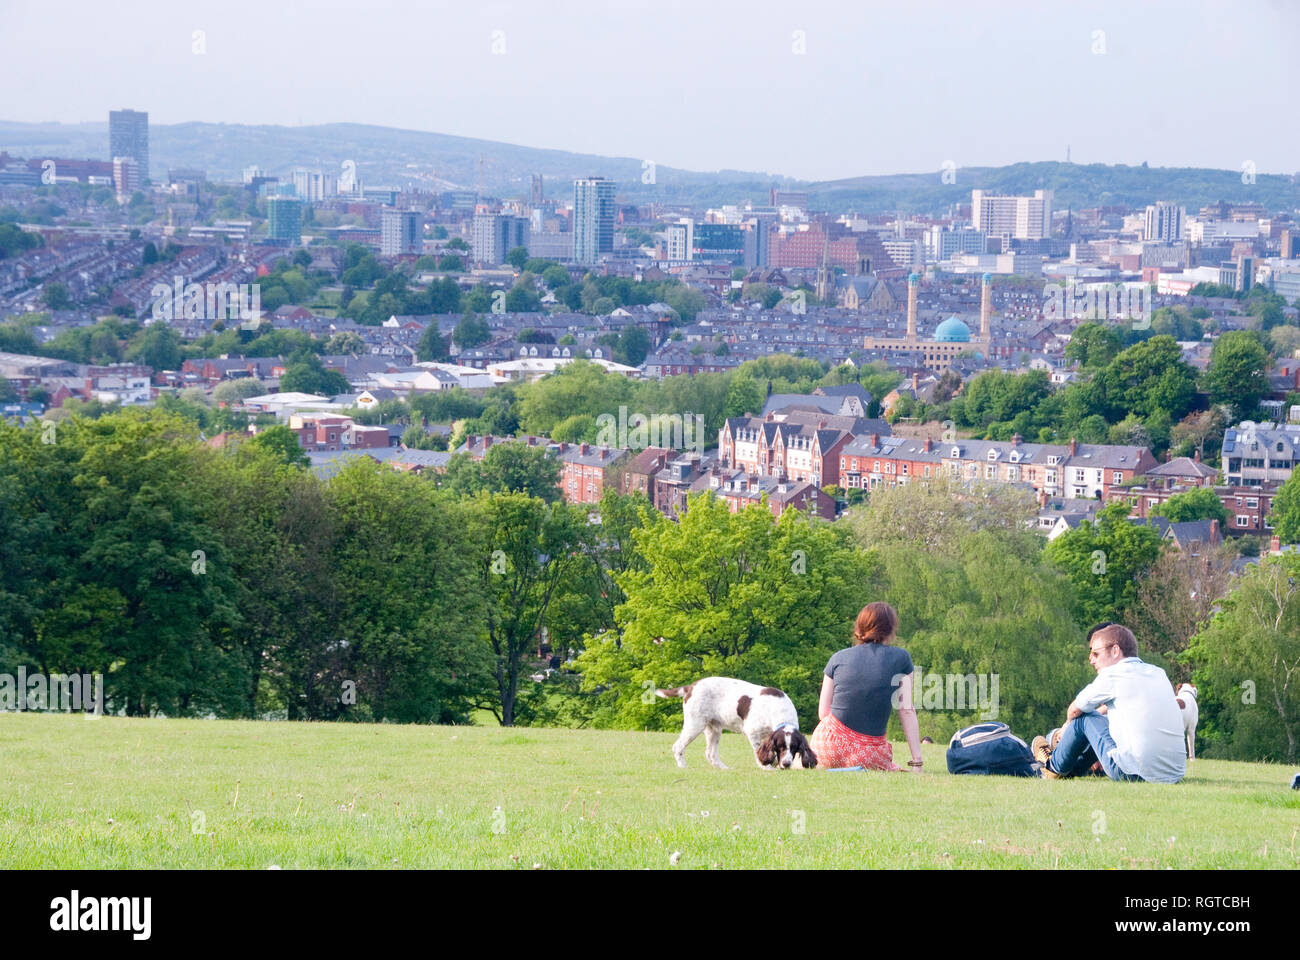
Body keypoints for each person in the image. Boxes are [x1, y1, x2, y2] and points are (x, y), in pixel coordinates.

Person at [1032, 623, 1185, 784]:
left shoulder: (1113, 674)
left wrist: (1067, 726)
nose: (1091, 660)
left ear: (1115, 651)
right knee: (1101, 721)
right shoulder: (1158, 673)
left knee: (1084, 718)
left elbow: (1074, 709)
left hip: (1131, 773)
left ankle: (1052, 767)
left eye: (1096, 654)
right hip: (1173, 774)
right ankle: (1071, 770)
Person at [809, 602, 924, 772]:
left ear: (860, 626)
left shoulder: (837, 658)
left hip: (826, 747)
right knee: (890, 767)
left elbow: (823, 713)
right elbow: (906, 709)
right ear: (890, 628)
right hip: (869, 755)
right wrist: (917, 761)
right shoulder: (901, 658)